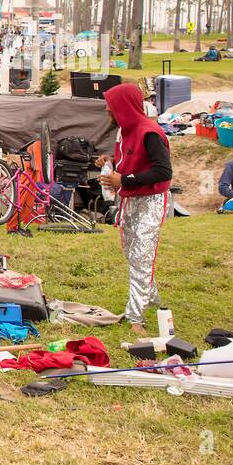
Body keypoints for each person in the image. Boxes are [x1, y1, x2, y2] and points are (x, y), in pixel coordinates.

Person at [98, 82, 174, 336]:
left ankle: (135, 317)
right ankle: (152, 298)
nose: (108, 113)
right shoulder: (124, 131)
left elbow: (163, 171)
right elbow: (129, 160)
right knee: (133, 254)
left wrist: (125, 180)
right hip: (130, 199)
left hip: (150, 199)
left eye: (111, 108)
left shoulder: (149, 132)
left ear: (124, 107)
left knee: (142, 255)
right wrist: (110, 163)